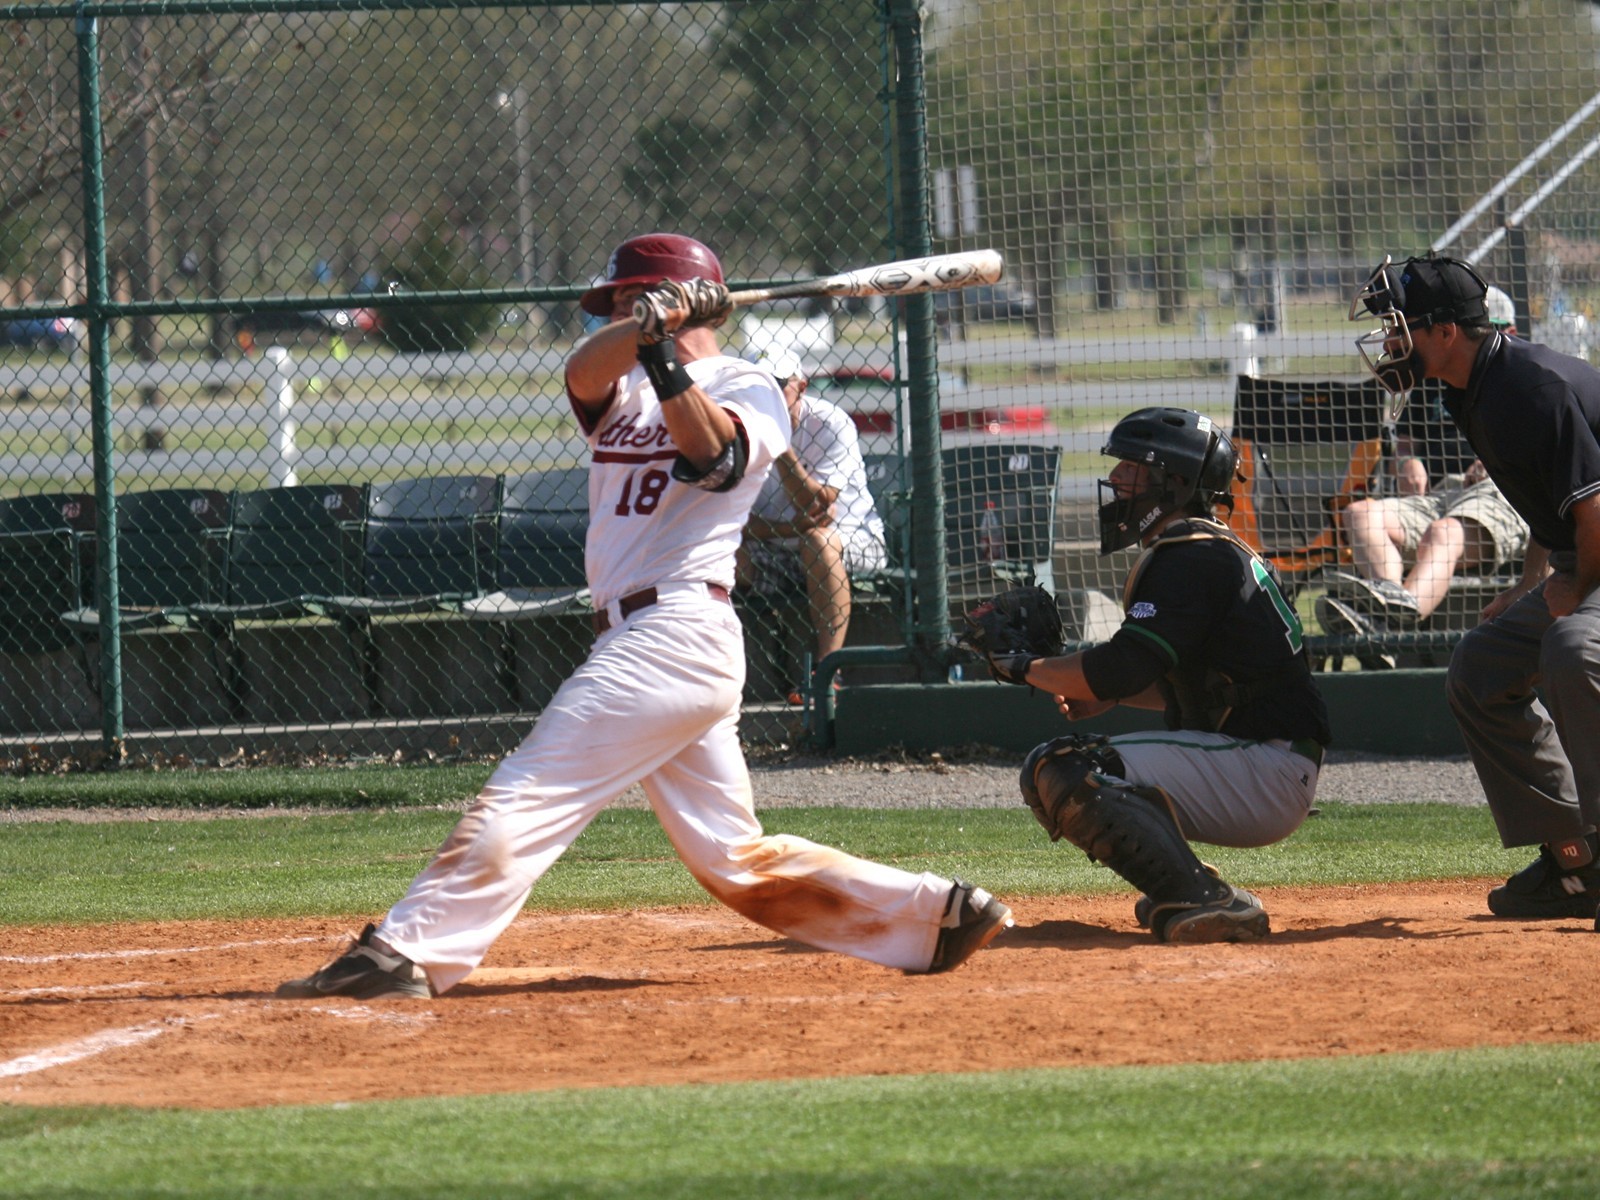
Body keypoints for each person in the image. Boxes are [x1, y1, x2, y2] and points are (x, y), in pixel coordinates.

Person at [278, 233, 1011, 999]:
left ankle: (405, 951)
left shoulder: (750, 386)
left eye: (629, 301)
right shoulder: (618, 385)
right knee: (733, 857)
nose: (617, 318)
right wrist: (645, 330)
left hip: (675, 634)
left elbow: (713, 457)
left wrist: (661, 351)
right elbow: (579, 370)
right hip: (645, 638)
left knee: (528, 792)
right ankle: (933, 919)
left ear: (675, 299)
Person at [969, 406, 1331, 943]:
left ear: (1176, 482)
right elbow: (1190, 681)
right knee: (1051, 769)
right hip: (1258, 756)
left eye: (1134, 467)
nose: (1116, 478)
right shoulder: (1202, 547)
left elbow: (1117, 666)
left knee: (1068, 769)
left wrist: (1025, 667)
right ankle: (1190, 886)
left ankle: (1204, 898)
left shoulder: (1192, 556)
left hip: (1266, 765)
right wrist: (1107, 698)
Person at [1349, 253, 1600, 920]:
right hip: (1587, 558)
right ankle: (1576, 863)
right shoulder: (1473, 389)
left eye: (1400, 329)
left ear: (1447, 334)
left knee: (1574, 648)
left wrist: (1570, 596)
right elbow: (1553, 500)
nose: (1390, 343)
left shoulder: (1530, 386)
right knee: (1480, 669)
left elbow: (1594, 509)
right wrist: (1533, 584)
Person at [1318, 290, 1530, 634]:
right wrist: (1407, 461)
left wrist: (1496, 460)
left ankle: (1390, 628)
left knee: (1442, 534)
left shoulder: (1522, 382)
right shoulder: (1435, 380)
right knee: (1359, 514)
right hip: (1440, 495)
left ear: (1510, 334)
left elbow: (1548, 457)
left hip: (1501, 492)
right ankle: (1388, 614)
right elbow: (1404, 442)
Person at [736, 359, 888, 704]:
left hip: (853, 540)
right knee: (719, 550)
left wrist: (779, 444)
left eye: (778, 386)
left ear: (801, 386)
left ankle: (827, 671)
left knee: (818, 541)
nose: (769, 396)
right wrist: (789, 526)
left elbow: (816, 505)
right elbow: (730, 519)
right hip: (775, 545)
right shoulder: (739, 424)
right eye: (761, 388)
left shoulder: (831, 422)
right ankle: (720, 671)